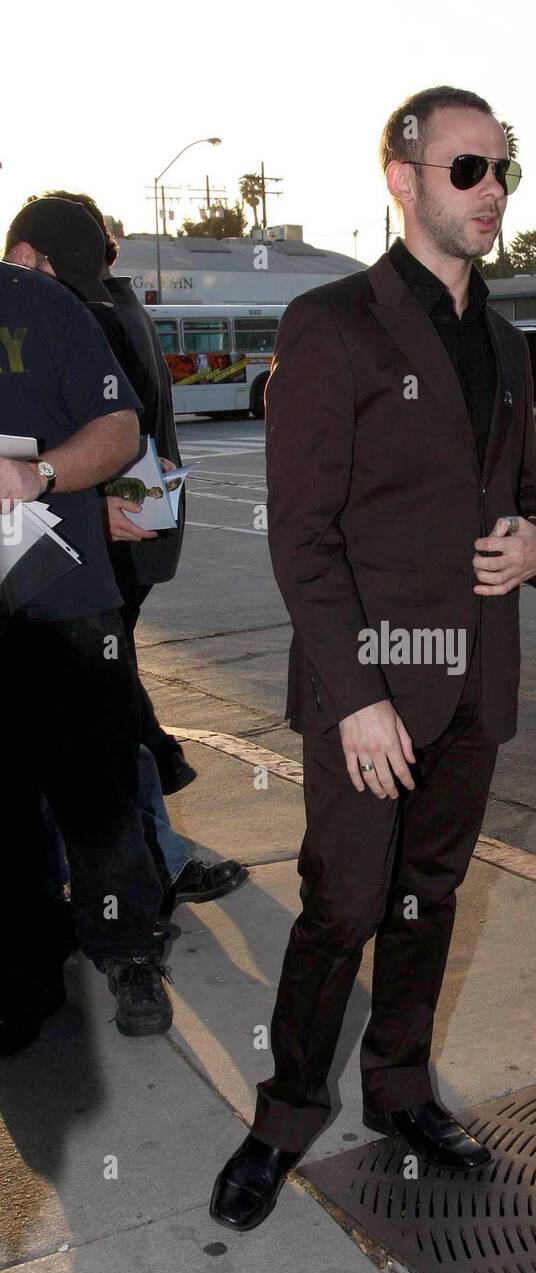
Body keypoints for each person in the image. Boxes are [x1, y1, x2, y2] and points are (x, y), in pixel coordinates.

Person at [210, 86, 536, 1232]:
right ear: (402, 179)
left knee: (428, 895)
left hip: (473, 683)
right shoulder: (332, 324)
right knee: (343, 904)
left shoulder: (504, 343)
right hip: (366, 687)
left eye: (502, 169)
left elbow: (526, 499)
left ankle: (401, 1089)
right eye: (468, 169)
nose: (492, 191)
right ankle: (282, 1116)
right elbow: (302, 535)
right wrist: (355, 697)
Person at [5, 198, 249, 928]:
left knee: (105, 727)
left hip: (91, 558)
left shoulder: (84, 315)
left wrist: (112, 497)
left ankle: (145, 872)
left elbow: (121, 431)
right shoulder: (103, 310)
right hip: (94, 555)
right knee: (106, 723)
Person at [0, 246, 172, 1048]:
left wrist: (37, 474)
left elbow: (120, 427)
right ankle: (27, 970)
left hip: (65, 605)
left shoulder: (40, 304)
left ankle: (129, 950)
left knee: (98, 798)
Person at [29, 190, 198, 795]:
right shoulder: (127, 308)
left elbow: (114, 430)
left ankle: (149, 801)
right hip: (140, 515)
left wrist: (94, 505)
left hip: (115, 523)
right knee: (110, 665)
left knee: (100, 678)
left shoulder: (89, 316)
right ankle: (157, 771)